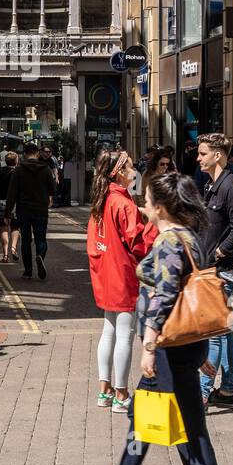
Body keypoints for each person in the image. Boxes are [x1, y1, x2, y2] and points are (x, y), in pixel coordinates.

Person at [84, 172, 230, 465]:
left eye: (147, 200)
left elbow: (163, 297)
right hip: (186, 344)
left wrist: (149, 346)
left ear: (161, 208)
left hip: (169, 347)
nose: (142, 204)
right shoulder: (191, 237)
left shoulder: (168, 242)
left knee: (188, 433)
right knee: (143, 417)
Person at [87, 149, 151, 412]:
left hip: (105, 272)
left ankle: (105, 390)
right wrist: (156, 223)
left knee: (109, 331)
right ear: (120, 173)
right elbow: (139, 243)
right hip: (123, 274)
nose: (134, 171)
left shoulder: (102, 200)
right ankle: (122, 394)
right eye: (131, 167)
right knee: (125, 334)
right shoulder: (123, 204)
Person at [197, 132, 233, 408]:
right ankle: (228, 390)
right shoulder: (214, 184)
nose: (198, 158)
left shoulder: (231, 187)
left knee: (214, 331)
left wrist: (219, 252)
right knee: (224, 330)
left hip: (224, 269)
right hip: (215, 267)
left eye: (203, 153)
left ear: (218, 155)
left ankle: (202, 394)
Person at [5, 141, 56, 280]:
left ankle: (28, 271)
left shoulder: (19, 170)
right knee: (41, 238)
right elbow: (53, 189)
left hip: (24, 210)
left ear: (25, 154)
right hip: (41, 209)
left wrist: (7, 212)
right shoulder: (45, 169)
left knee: (26, 240)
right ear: (37, 153)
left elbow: (12, 193)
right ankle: (40, 255)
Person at [0, 150, 20, 262]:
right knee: (15, 227)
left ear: (5, 161)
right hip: (15, 204)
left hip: (0, 203)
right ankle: (13, 248)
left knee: (3, 228)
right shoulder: (18, 173)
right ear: (16, 161)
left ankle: (5, 254)